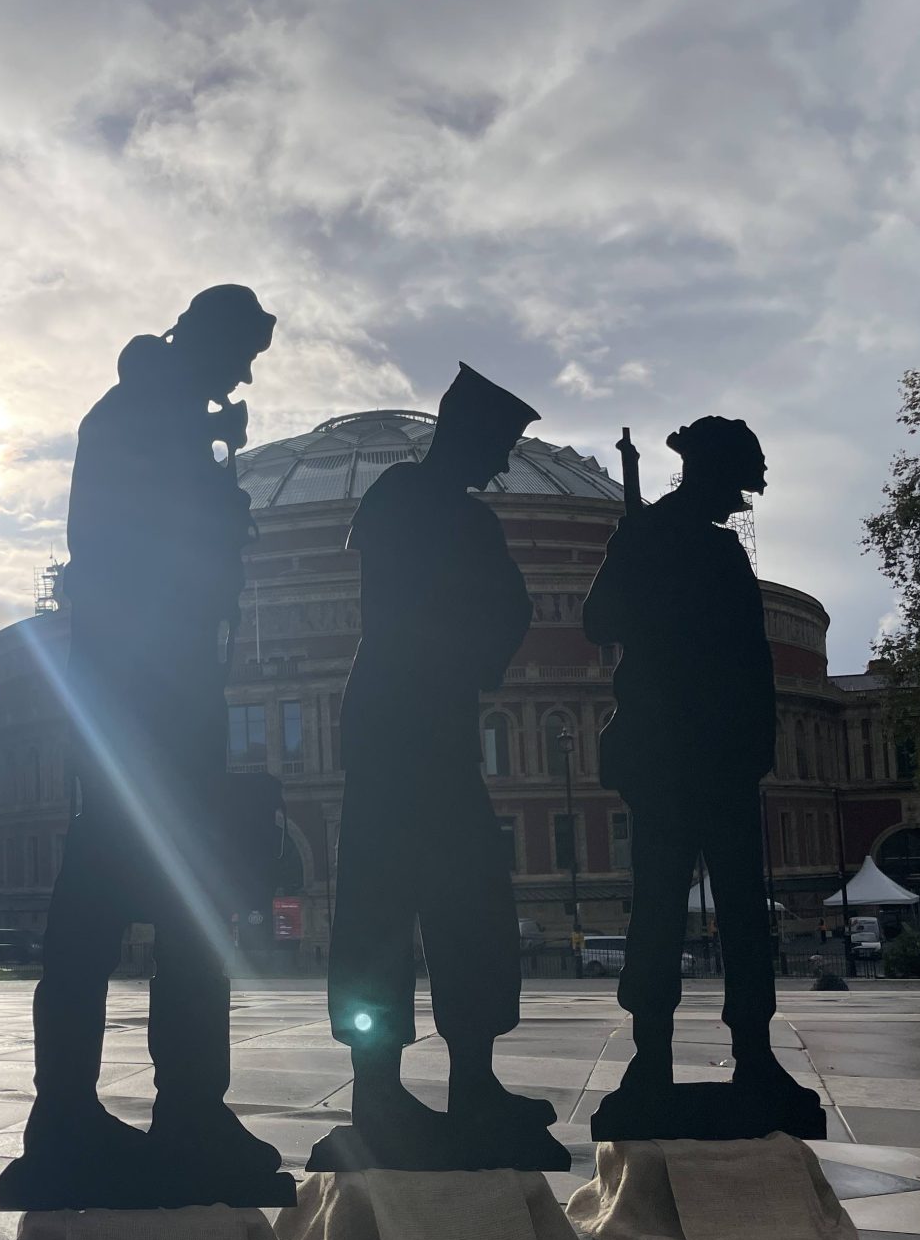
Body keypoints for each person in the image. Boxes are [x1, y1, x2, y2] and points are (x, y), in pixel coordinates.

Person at [1, 285, 282, 1208]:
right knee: (137, 911)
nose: (242, 377)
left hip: (154, 697)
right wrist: (212, 515)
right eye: (239, 355)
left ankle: (153, 1109)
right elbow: (122, 552)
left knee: (152, 908)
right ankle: (138, 1112)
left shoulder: (153, 415)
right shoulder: (135, 417)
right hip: (140, 702)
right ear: (204, 341)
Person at [323, 364, 567, 1170]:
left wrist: (473, 638)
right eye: (497, 446)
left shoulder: (466, 518)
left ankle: (474, 1084)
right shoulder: (401, 497)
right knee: (378, 916)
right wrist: (469, 642)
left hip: (433, 732)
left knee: (472, 912)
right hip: (400, 731)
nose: (501, 465)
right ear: (462, 432)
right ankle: (377, 1090)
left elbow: (509, 609)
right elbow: (442, 608)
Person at [582, 416, 820, 1133]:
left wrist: (756, 742)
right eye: (736, 486)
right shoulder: (644, 536)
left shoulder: (714, 548)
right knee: (659, 910)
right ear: (708, 474)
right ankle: (649, 1055)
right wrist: (649, 601)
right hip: (666, 753)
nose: (738, 503)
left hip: (719, 754)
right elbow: (598, 621)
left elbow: (753, 655)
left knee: (743, 913)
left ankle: (754, 1050)